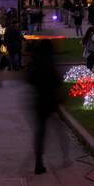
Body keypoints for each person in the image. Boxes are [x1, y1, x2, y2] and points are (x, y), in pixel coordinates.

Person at [26, 36, 66, 175]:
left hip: (38, 101)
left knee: (40, 133)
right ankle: (65, 156)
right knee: (59, 129)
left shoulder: (35, 60)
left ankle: (38, 163)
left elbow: (29, 79)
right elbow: (57, 81)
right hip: (51, 100)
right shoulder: (51, 61)